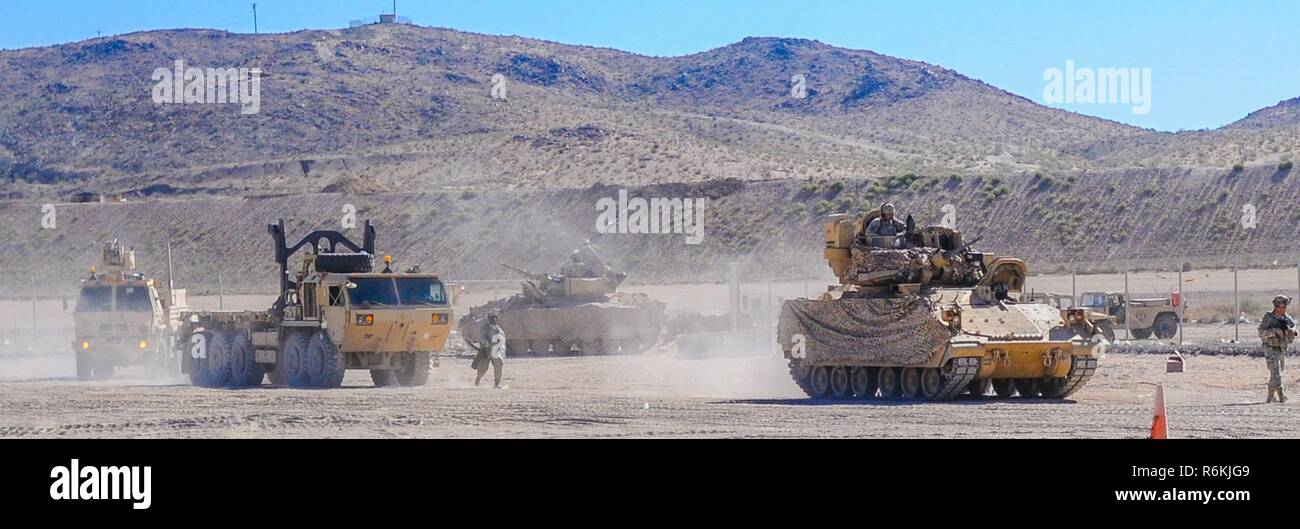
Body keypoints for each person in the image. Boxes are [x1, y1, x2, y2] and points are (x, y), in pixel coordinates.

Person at [1257, 294, 1294, 403]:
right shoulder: (1268, 318)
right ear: (1277, 306)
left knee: (1276, 372)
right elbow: (1261, 332)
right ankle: (1281, 395)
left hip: (1281, 348)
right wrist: (1274, 331)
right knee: (1276, 371)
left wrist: (1291, 332)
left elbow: (1293, 328)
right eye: (1283, 306)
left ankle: (1270, 397)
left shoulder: (1287, 318)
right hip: (1270, 348)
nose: (1285, 308)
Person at [474, 314, 506, 388]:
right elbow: (480, 336)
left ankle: (496, 384)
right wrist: (486, 344)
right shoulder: (485, 327)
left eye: (495, 319)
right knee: (483, 366)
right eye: (492, 319)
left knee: (498, 364)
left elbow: (501, 336)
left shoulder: (498, 328)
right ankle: (478, 379)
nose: (494, 320)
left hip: (495, 349)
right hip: (486, 349)